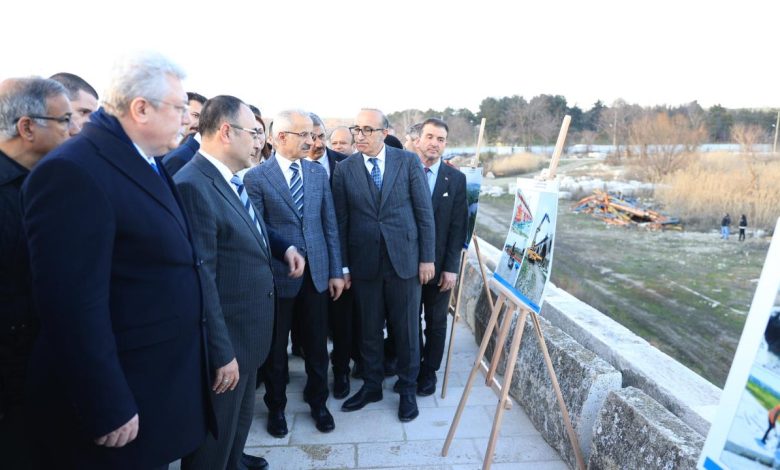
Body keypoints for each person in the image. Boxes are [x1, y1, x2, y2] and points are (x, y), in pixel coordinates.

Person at [21, 52, 212, 469]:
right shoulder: (75, 172)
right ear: (141, 108)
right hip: (121, 404)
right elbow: (70, 306)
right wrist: (105, 401)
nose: (187, 120)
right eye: (180, 109)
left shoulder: (144, 160)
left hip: (155, 388)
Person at [176, 96, 303, 470]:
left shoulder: (227, 179)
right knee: (213, 446)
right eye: (254, 133)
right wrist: (221, 353)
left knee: (235, 432)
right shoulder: (194, 185)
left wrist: (283, 249)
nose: (260, 143)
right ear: (226, 131)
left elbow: (249, 228)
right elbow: (204, 280)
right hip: (228, 344)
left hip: (248, 338)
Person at [245, 109, 344, 437]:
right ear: (281, 137)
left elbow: (329, 224)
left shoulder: (316, 174)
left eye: (313, 135)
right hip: (278, 277)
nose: (312, 141)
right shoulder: (257, 178)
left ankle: (319, 403)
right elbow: (258, 232)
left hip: (316, 274)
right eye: (304, 135)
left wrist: (334, 270)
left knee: (317, 346)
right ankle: (276, 407)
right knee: (277, 350)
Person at [332, 108, 435, 422]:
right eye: (356, 129)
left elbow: (423, 213)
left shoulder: (407, 162)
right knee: (369, 331)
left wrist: (427, 258)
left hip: (404, 261)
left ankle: (406, 390)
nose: (359, 136)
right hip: (364, 265)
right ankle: (372, 385)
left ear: (384, 132)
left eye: (367, 130)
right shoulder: (345, 169)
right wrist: (344, 267)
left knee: (406, 330)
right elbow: (340, 222)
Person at [0, 77, 73, 469]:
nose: (74, 129)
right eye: (64, 120)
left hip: (41, 371)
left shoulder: (43, 184)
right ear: (27, 127)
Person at [410, 118, 467, 396]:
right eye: (430, 137)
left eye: (441, 139)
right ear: (418, 139)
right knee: (408, 320)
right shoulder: (403, 171)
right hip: (406, 264)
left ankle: (428, 372)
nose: (434, 143)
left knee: (435, 321)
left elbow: (458, 227)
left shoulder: (455, 179)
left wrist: (451, 268)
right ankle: (410, 366)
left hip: (440, 265)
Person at [304, 113, 355, 399]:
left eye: (321, 136)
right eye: (311, 137)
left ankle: (342, 373)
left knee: (342, 321)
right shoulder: (291, 167)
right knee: (312, 327)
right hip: (305, 263)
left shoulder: (344, 165)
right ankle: (315, 381)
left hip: (342, 259)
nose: (317, 143)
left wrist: (344, 265)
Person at [162, 91, 207, 175]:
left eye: (204, 118)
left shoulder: (196, 156)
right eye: (195, 115)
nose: (200, 123)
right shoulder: (156, 148)